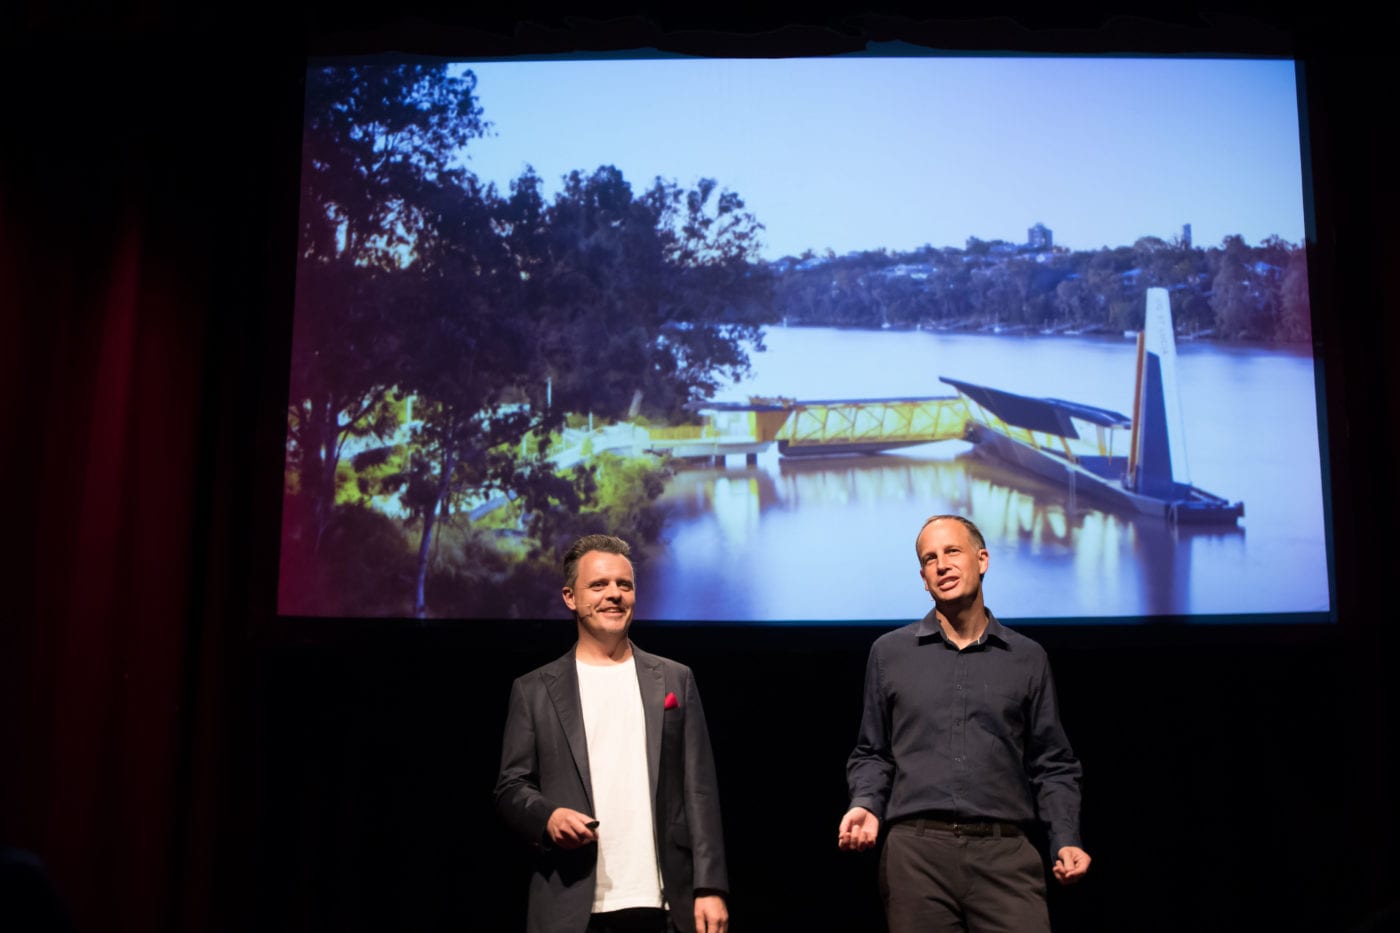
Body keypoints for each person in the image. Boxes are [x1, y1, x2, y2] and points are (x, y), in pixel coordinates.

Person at [837, 514, 1091, 933]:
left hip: (1006, 854)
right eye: (930, 559)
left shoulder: (1027, 657)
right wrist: (865, 803)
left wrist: (1065, 838)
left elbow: (1053, 763)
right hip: (916, 857)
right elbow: (872, 752)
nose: (942, 565)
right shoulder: (889, 653)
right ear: (923, 579)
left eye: (952, 551)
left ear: (982, 559)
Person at [495, 534, 729, 933]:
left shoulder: (675, 678)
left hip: (662, 899)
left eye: (624, 584)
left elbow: (700, 791)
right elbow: (510, 787)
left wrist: (710, 887)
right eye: (598, 585)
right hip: (571, 902)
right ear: (570, 597)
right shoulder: (534, 690)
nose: (615, 594)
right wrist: (548, 817)